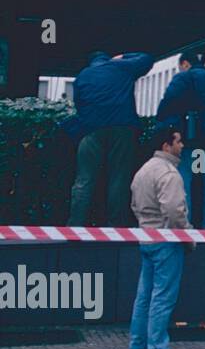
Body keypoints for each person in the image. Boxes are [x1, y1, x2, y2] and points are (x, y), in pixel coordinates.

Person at [127, 126, 192, 349]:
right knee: (163, 296)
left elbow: (134, 204)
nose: (182, 145)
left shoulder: (143, 170)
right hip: (166, 240)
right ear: (167, 145)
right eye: (178, 141)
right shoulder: (169, 173)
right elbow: (174, 211)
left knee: (144, 295)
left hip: (146, 236)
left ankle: (138, 344)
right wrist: (185, 236)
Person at [65, 50, 154, 226]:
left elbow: (79, 104)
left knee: (84, 179)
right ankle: (116, 225)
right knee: (119, 178)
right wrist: (123, 57)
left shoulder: (83, 75)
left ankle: (75, 223)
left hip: (92, 130)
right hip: (122, 128)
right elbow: (147, 59)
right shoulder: (121, 67)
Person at [155, 50, 205, 228]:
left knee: (186, 181)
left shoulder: (183, 79)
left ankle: (187, 222)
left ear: (185, 63)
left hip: (190, 141)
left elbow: (167, 105)